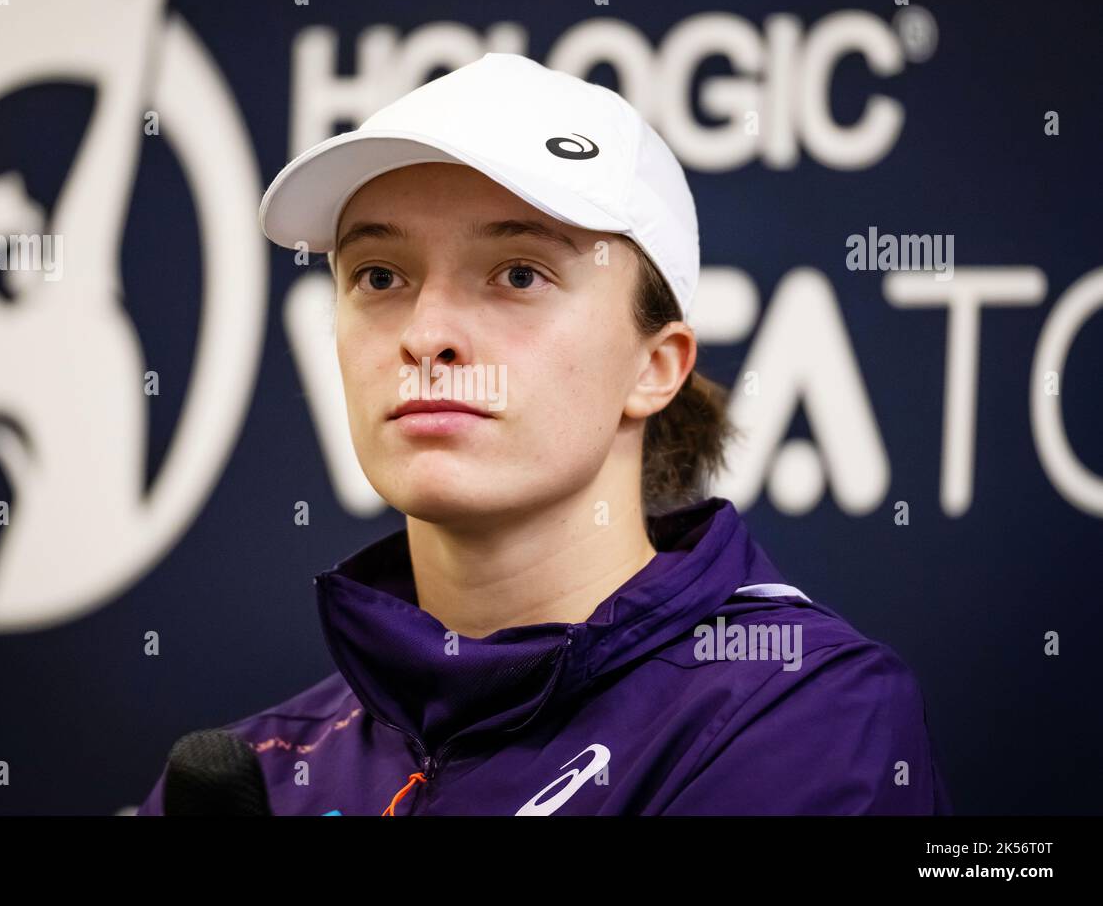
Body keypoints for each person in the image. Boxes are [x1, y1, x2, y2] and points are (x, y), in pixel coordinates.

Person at [137, 52, 950, 815]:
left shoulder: (802, 712)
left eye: (519, 274)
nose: (427, 335)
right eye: (379, 276)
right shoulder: (258, 771)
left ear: (654, 366)